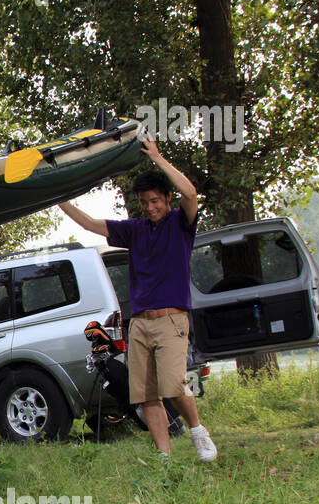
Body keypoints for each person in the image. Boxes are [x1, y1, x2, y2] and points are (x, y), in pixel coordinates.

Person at [57, 132, 219, 462]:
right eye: (145, 203)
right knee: (145, 396)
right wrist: (59, 198)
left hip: (172, 320)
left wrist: (157, 158)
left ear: (167, 199)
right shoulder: (135, 229)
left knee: (173, 386)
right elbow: (90, 224)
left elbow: (190, 192)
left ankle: (198, 432)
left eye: (156, 201)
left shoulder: (181, 225)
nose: (150, 207)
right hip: (140, 325)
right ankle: (163, 457)